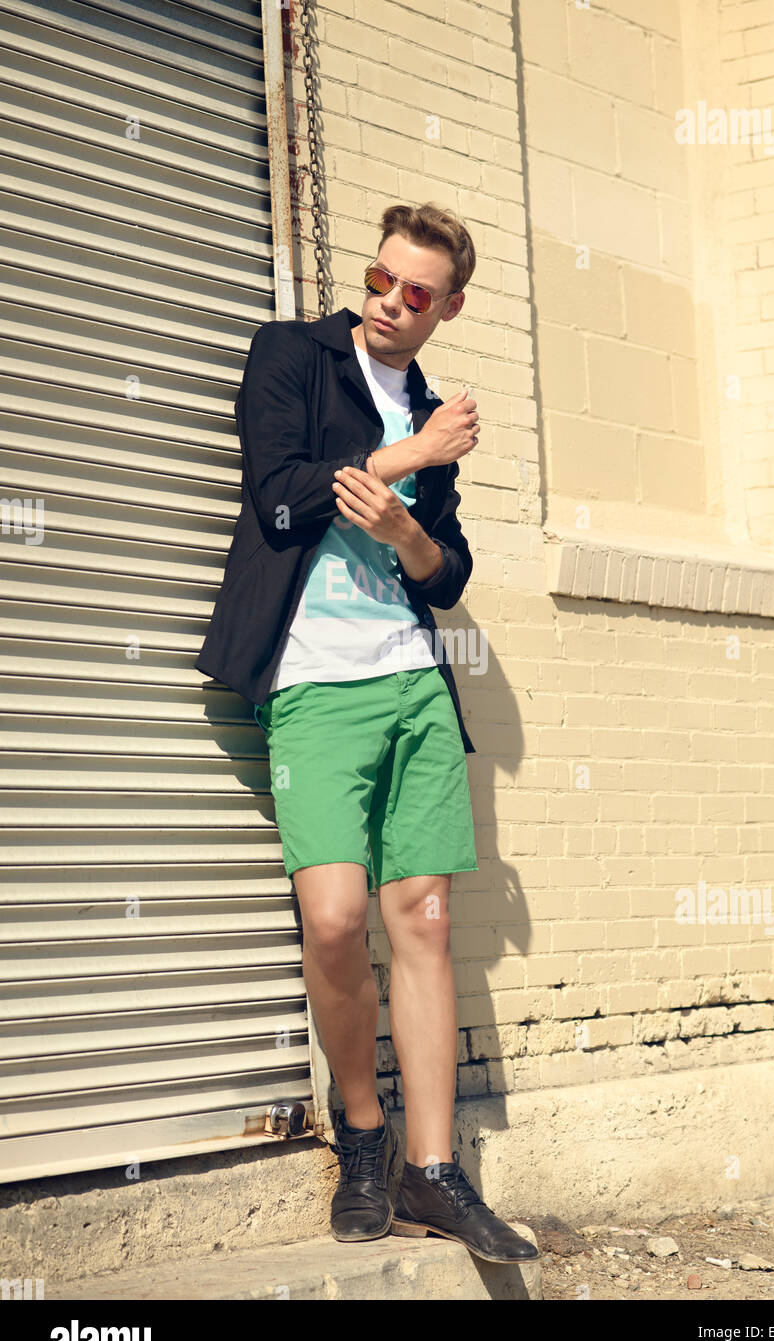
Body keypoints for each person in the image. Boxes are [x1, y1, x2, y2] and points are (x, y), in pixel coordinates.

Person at [196, 202, 539, 1264]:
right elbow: (282, 497)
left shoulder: (432, 410)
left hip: (410, 684)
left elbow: (449, 576)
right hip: (313, 682)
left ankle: (433, 1172)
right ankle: (362, 1136)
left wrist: (408, 534)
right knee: (337, 920)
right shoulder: (294, 356)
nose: (389, 304)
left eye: (416, 294)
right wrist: (408, 459)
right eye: (381, 280)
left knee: (424, 923)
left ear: (451, 307)